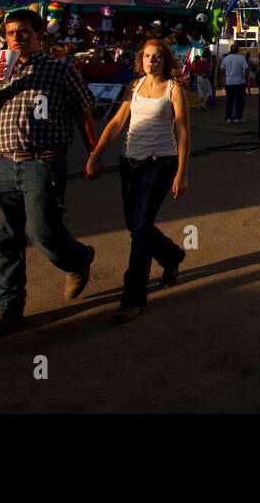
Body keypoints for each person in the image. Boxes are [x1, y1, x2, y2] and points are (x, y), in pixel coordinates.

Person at [0, 9, 99, 341]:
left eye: (23, 32)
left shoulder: (60, 70)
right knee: (4, 240)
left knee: (43, 232)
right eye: (10, 33)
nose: (15, 38)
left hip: (44, 163)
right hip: (2, 163)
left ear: (39, 35)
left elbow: (84, 114)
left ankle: (77, 258)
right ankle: (7, 309)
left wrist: (94, 155)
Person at [86, 39, 190, 324]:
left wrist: (182, 172)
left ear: (166, 60)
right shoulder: (134, 87)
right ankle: (171, 255)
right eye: (146, 56)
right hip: (130, 162)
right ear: (140, 59)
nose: (151, 61)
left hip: (160, 163)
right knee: (134, 225)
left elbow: (182, 131)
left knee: (141, 228)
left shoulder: (174, 88)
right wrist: (96, 154)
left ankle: (133, 298)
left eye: (156, 57)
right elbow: (118, 122)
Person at [221, 46, 249, 123]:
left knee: (229, 100)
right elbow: (246, 69)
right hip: (240, 81)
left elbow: (222, 69)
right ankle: (238, 117)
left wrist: (224, 79)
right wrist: (246, 79)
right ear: (238, 50)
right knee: (239, 100)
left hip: (229, 82)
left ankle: (229, 117)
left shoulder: (226, 58)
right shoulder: (241, 58)